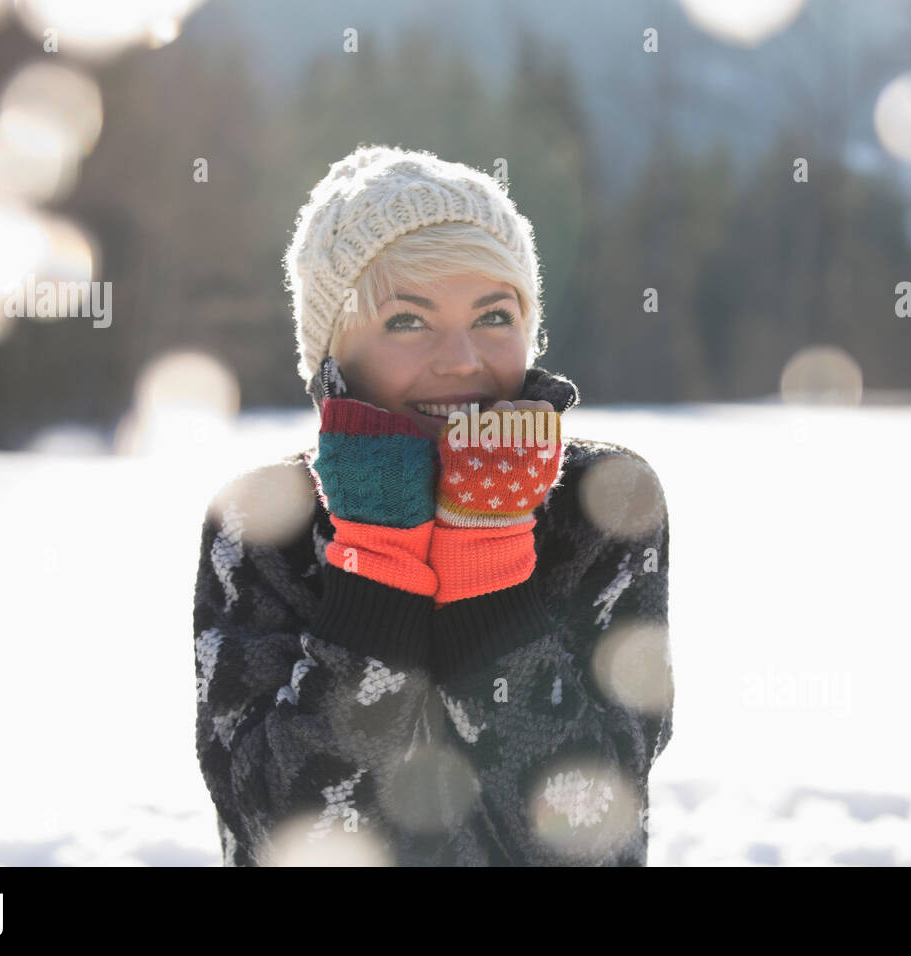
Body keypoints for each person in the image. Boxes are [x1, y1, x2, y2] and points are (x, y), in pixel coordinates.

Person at [192, 144, 674, 866]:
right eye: (407, 321)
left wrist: (490, 561)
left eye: (493, 315)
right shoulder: (264, 523)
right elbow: (288, 838)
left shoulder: (603, 503)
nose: (461, 359)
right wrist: (375, 564)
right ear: (332, 353)